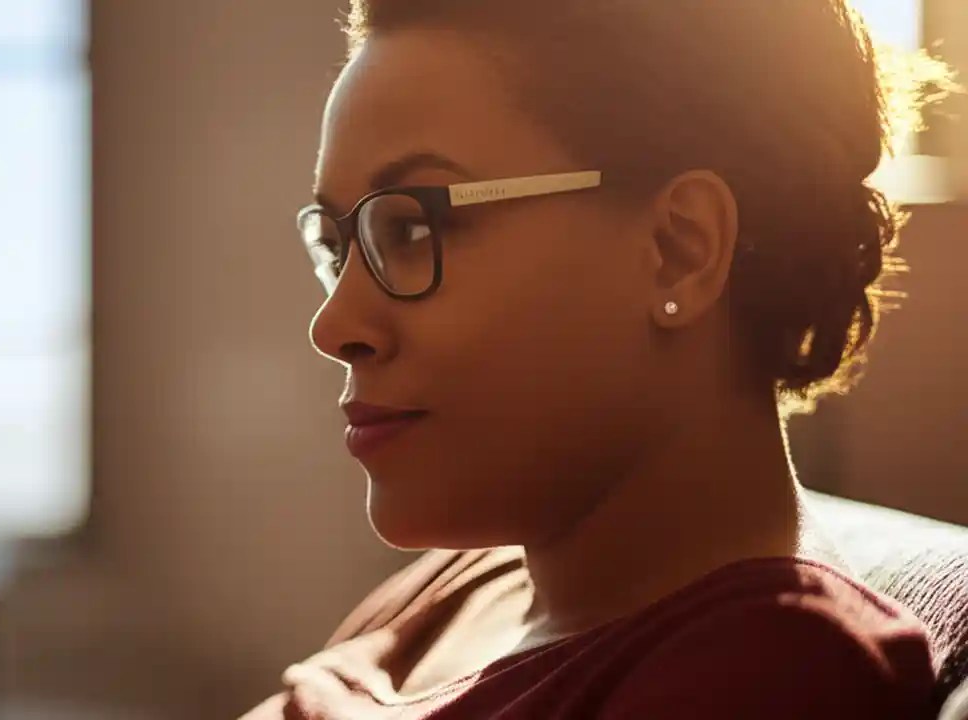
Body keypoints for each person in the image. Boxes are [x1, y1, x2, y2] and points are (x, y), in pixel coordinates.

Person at [242, 1, 958, 718]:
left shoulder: (771, 671)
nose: (335, 326)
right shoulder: (478, 580)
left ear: (680, 250)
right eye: (339, 248)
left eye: (414, 227)